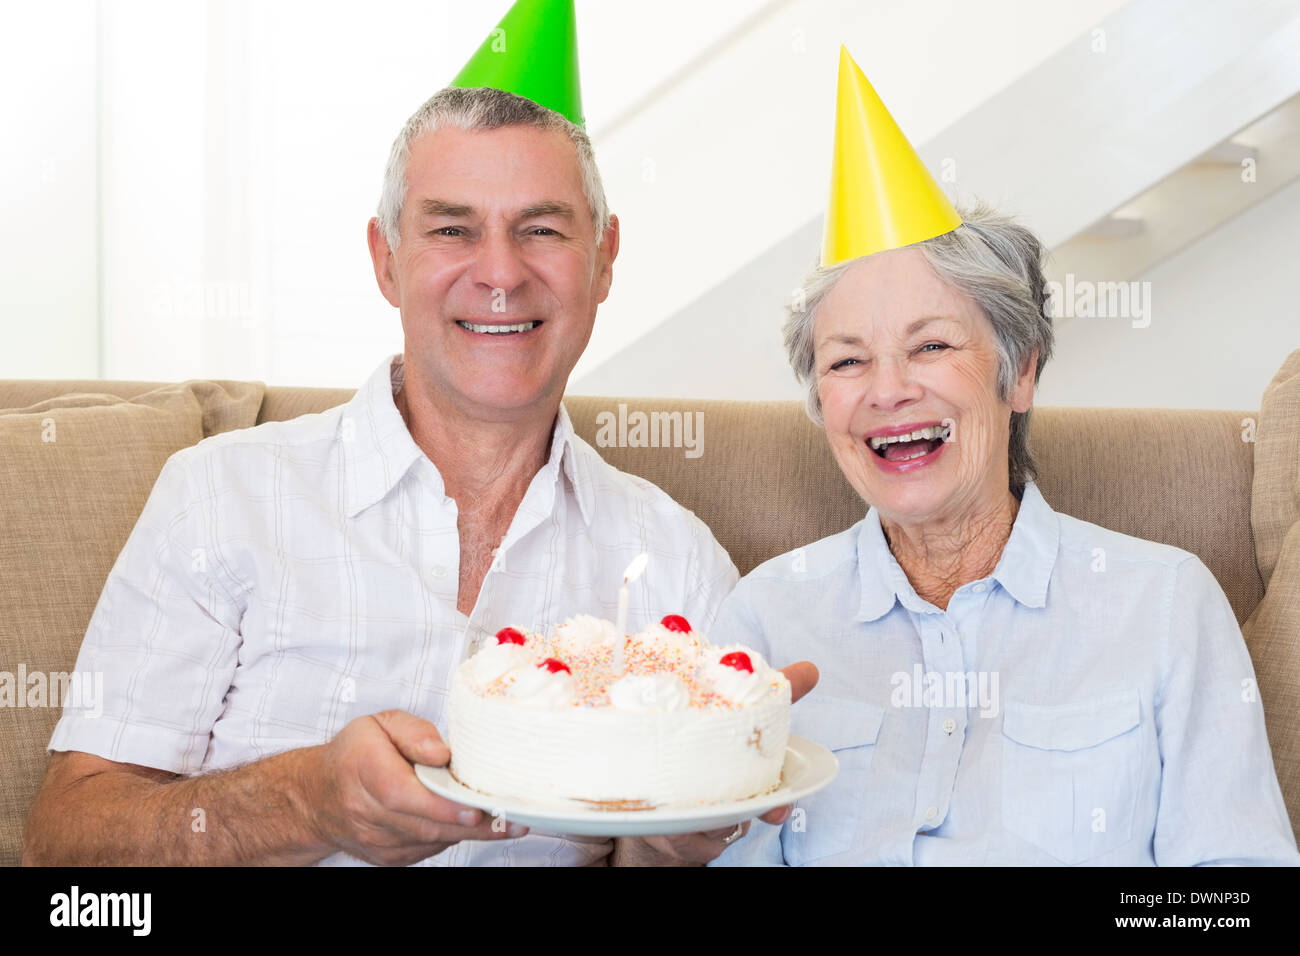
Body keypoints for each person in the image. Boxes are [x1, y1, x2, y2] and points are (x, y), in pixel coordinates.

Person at [24, 1, 810, 867]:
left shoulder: (675, 564)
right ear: (386, 259)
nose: (502, 274)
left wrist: (678, 840)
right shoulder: (220, 497)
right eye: (452, 229)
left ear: (605, 259)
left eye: (542, 229)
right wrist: (307, 801)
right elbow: (63, 851)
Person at [711, 48, 1299, 866]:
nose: (887, 391)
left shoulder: (1164, 606)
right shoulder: (764, 618)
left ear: (1018, 371)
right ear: (822, 407)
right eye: (847, 361)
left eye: (931, 345)